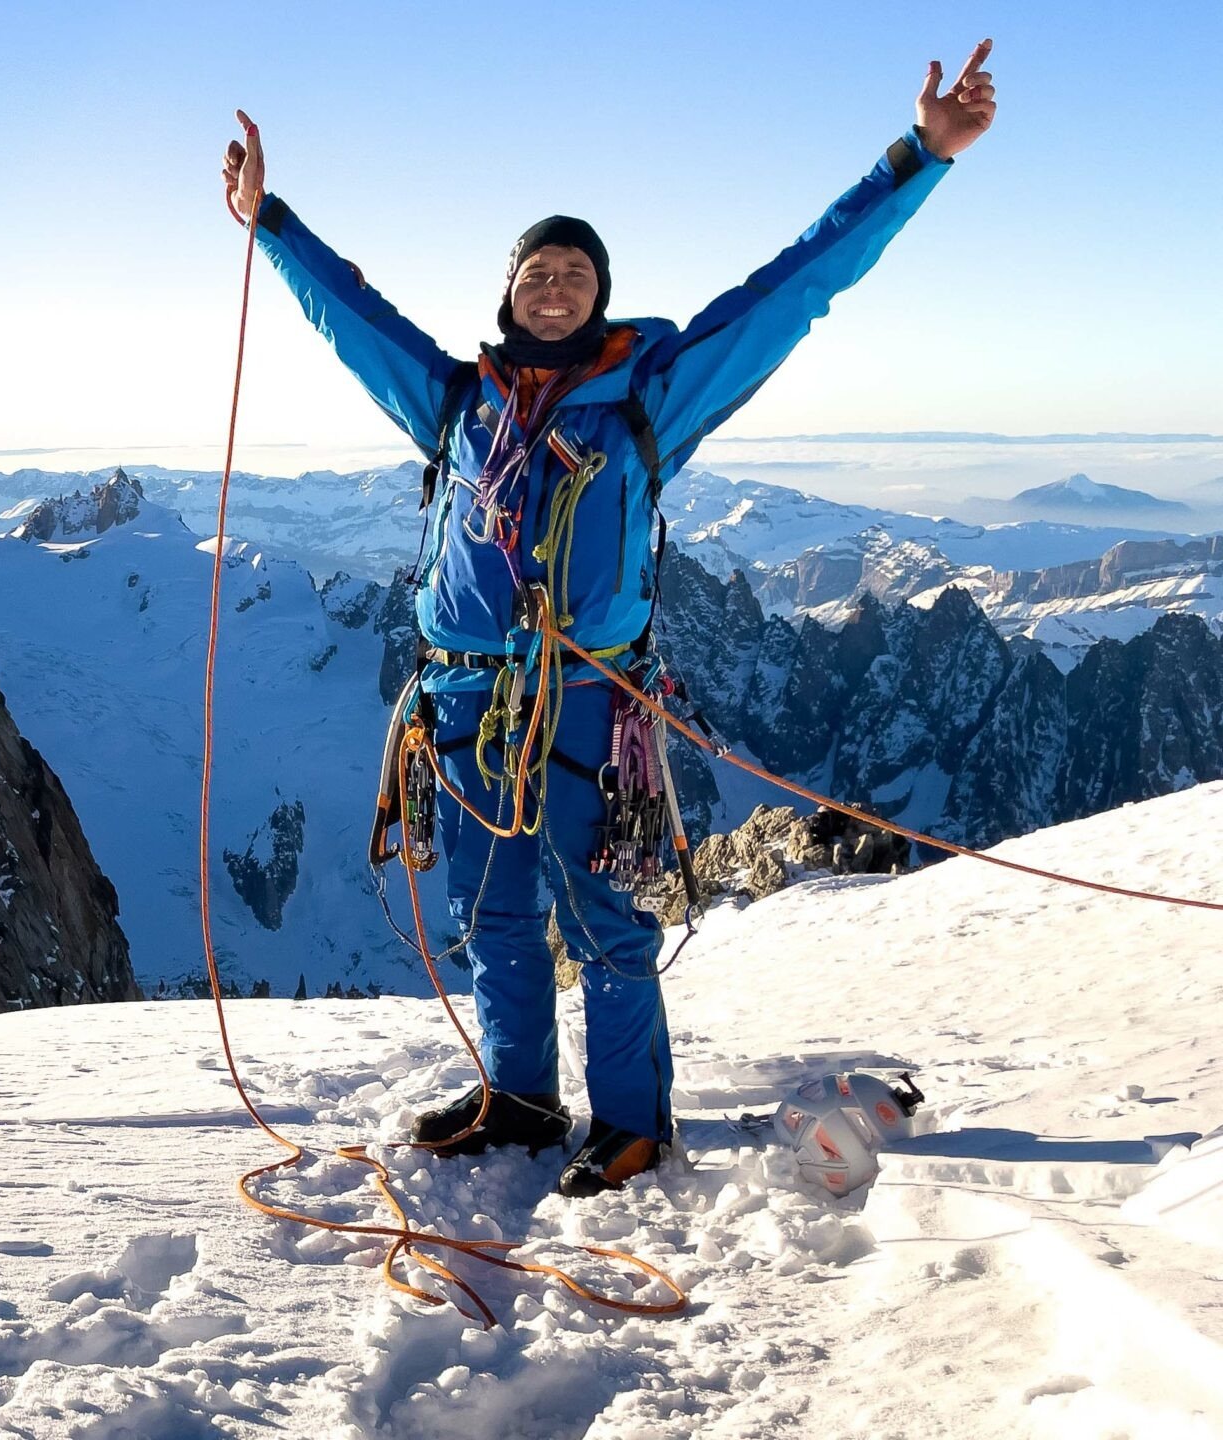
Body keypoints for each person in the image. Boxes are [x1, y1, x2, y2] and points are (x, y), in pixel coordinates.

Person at [221, 44, 999, 1196]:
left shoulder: (647, 395)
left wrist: (916, 159)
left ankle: (630, 1122)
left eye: (576, 272)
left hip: (588, 695)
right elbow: (355, 319)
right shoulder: (453, 402)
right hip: (466, 696)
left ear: (600, 296)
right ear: (507, 293)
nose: (556, 283)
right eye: (538, 269)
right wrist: (265, 219)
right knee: (493, 914)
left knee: (603, 918)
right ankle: (520, 1099)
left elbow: (789, 290)